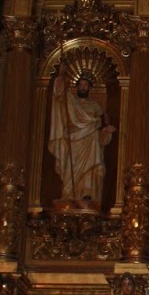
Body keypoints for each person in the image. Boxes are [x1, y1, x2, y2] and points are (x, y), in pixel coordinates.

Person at [48, 71, 114, 210]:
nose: (83, 87)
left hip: (90, 141)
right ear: (77, 87)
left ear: (90, 88)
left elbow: (104, 122)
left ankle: (86, 193)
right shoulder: (71, 102)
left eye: (86, 85)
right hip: (73, 141)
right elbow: (59, 95)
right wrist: (61, 76)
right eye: (81, 85)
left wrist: (106, 130)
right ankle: (69, 193)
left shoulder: (95, 106)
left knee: (89, 169)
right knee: (70, 166)